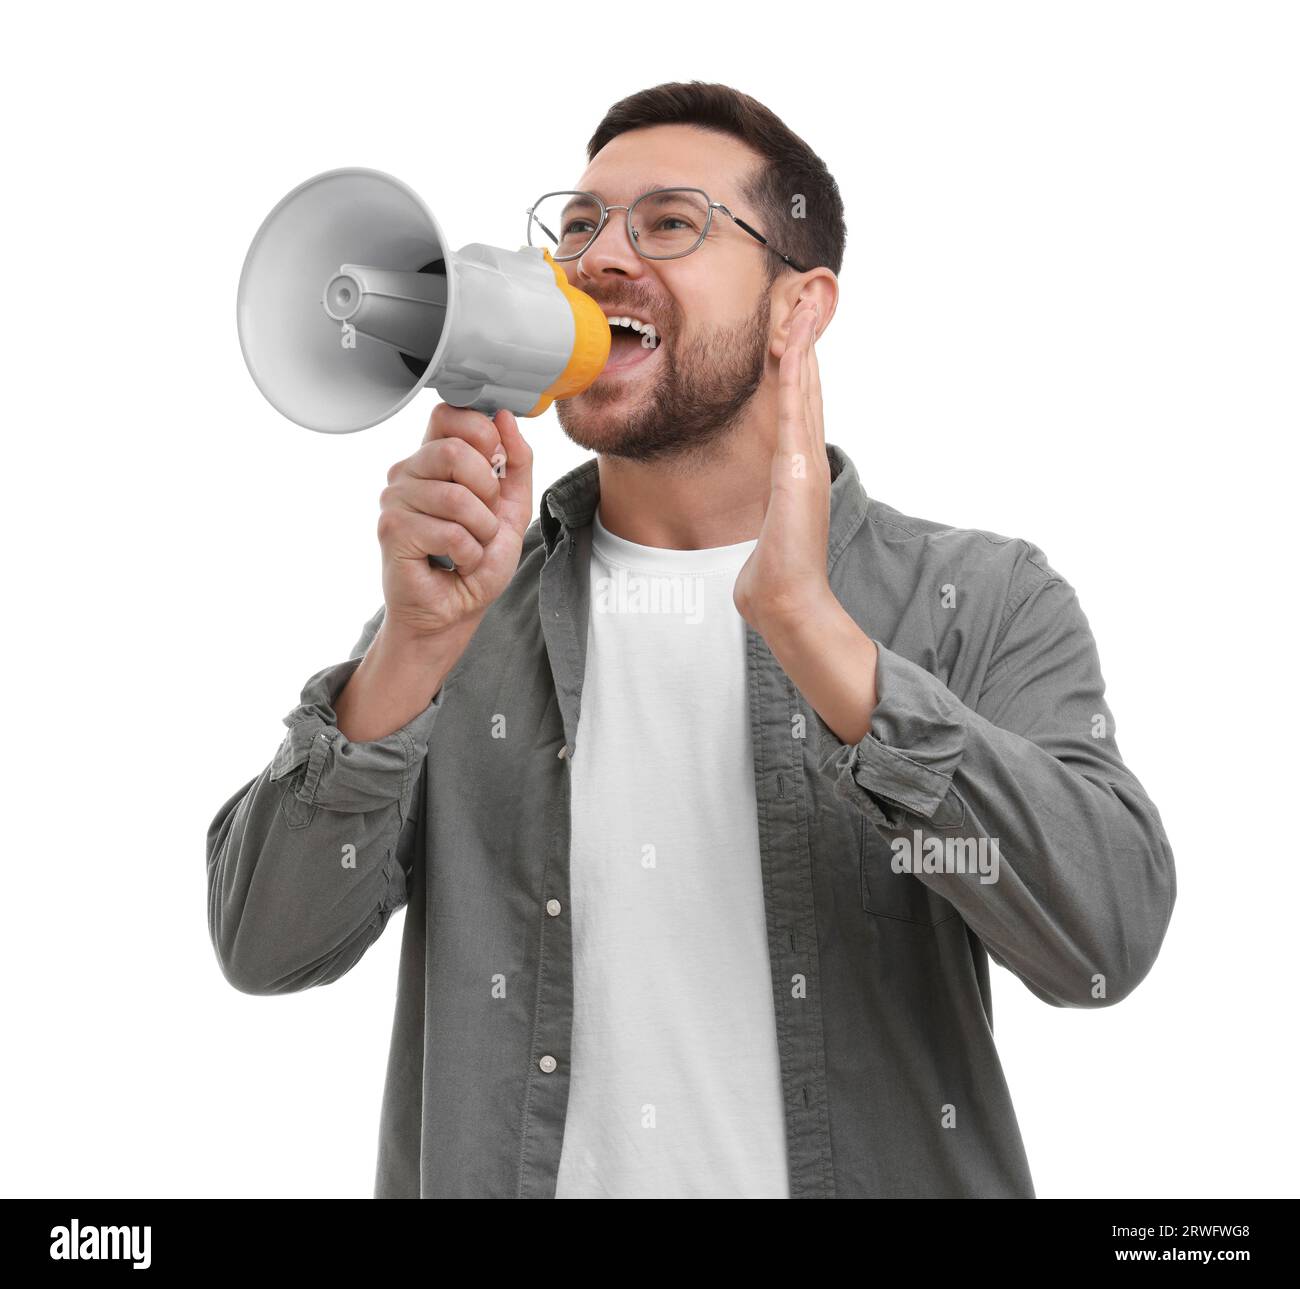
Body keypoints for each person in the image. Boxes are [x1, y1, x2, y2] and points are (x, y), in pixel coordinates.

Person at [207, 80, 1176, 1199]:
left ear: (797, 310)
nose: (599, 255)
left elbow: (1104, 938)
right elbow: (264, 944)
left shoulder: (981, 597)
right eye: (578, 224)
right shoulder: (463, 616)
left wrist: (823, 641)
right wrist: (410, 656)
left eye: (669, 223)